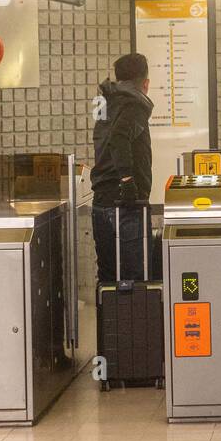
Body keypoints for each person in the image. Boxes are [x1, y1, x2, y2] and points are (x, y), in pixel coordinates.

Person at [92, 52, 154, 283]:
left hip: (101, 202)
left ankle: (108, 320)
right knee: (135, 279)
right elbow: (119, 138)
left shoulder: (106, 101)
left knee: (108, 279)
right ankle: (134, 320)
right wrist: (128, 181)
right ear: (145, 83)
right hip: (126, 204)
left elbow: (104, 142)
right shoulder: (135, 105)